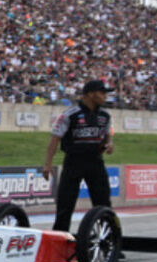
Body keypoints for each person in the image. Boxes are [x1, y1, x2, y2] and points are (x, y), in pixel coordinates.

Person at [41, 80, 114, 233]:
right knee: (65, 205)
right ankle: (59, 241)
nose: (105, 96)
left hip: (96, 162)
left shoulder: (105, 116)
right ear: (90, 94)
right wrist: (48, 164)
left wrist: (109, 144)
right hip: (74, 163)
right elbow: (54, 139)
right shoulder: (70, 114)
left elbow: (108, 137)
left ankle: (108, 241)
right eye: (102, 92)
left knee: (104, 205)